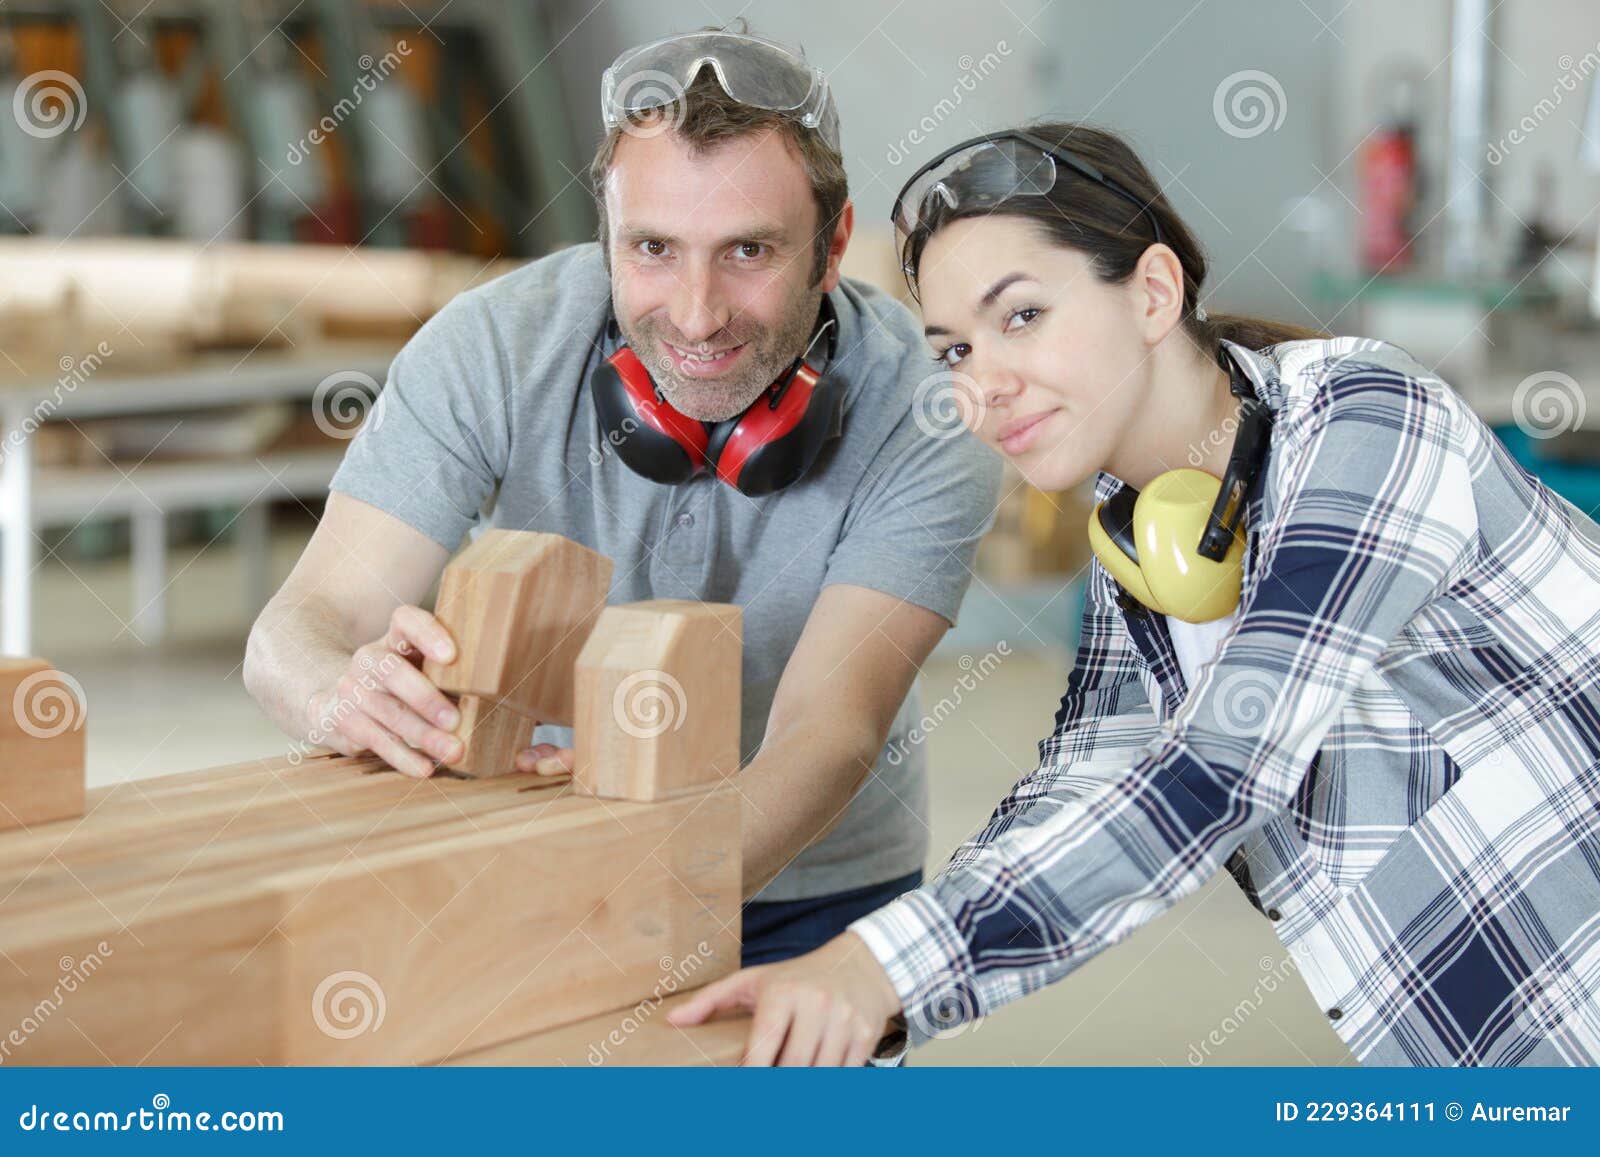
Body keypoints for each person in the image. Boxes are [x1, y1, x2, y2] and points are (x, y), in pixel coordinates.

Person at [671, 123, 1600, 1066]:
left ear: (1155, 293)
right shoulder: (1141, 539)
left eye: (1022, 316)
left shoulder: (1370, 420)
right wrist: (875, 993)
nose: (983, 386)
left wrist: (887, 966)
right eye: (952, 351)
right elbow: (1077, 783)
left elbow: (1228, 763)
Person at [242, 30, 1002, 968]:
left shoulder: (926, 407)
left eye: (749, 251)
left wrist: (634, 902)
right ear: (605, 235)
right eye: (652, 248)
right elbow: (301, 626)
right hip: (541, 842)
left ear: (834, 244)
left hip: (815, 881)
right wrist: (336, 689)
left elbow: (828, 731)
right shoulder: (492, 349)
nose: (694, 313)